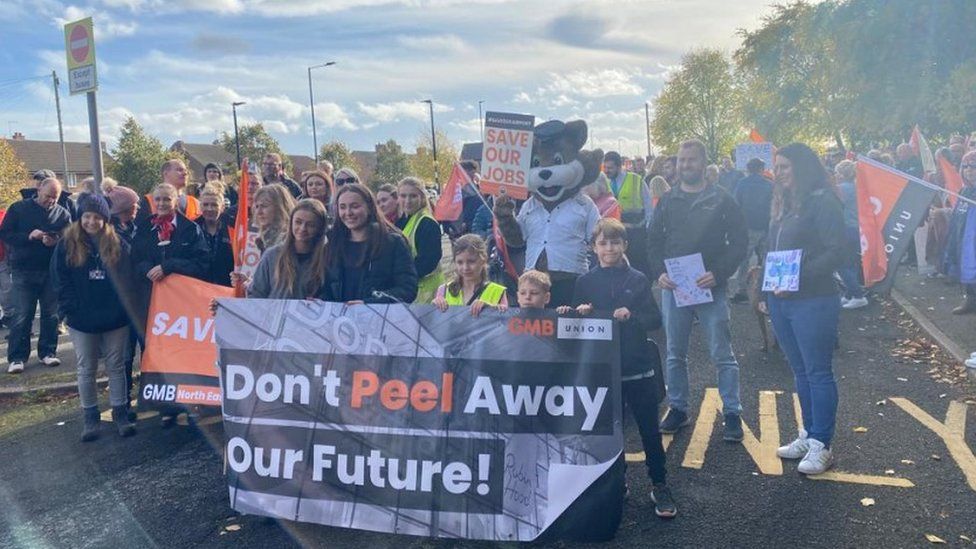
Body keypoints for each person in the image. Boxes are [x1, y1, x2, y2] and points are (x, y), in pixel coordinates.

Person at [557, 218, 675, 518]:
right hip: (602, 371)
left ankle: (659, 483)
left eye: (615, 242)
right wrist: (576, 314)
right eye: (603, 243)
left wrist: (631, 314)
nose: (609, 248)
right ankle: (615, 481)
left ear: (625, 245)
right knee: (608, 433)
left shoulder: (637, 278)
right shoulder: (584, 282)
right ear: (593, 247)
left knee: (649, 430)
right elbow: (573, 325)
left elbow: (655, 320)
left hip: (637, 366)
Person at [647, 139, 747, 440]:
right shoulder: (668, 200)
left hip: (709, 287)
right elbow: (654, 241)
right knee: (675, 353)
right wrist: (660, 273)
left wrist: (719, 274)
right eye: (681, 160)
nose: (685, 165)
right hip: (675, 286)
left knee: (722, 353)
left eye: (691, 160)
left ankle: (732, 412)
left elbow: (739, 242)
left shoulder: (723, 199)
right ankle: (678, 407)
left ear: (703, 163)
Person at [767, 143, 847, 475]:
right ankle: (809, 432)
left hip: (813, 299)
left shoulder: (823, 201)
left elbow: (837, 252)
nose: (779, 172)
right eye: (778, 167)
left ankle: (822, 444)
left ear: (802, 167)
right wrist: (765, 288)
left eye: (785, 167)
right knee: (799, 371)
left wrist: (798, 277)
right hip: (780, 297)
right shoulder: (785, 203)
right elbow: (772, 247)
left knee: (817, 372)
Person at [51, 193, 137, 441]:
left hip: (115, 318)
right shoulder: (66, 244)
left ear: (105, 219)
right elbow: (60, 280)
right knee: (86, 368)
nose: (91, 221)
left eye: (97, 217)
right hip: (81, 319)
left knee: (116, 366)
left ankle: (120, 412)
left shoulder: (118, 243)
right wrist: (70, 310)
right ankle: (91, 418)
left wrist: (124, 308)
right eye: (87, 216)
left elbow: (128, 279)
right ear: (80, 217)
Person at [132, 183, 210, 427]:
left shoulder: (190, 229)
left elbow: (201, 263)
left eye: (167, 199)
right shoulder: (145, 228)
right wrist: (147, 270)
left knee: (186, 352)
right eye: (158, 200)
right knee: (160, 353)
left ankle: (191, 403)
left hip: (184, 304)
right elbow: (135, 260)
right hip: (155, 305)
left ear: (176, 200)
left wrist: (170, 267)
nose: (162, 204)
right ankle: (166, 406)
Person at [0, 177, 72, 373]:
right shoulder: (18, 209)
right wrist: (28, 236)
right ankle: (17, 357)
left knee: (51, 315)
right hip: (24, 268)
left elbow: (69, 240)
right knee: (22, 314)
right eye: (48, 196)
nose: (51, 201)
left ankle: (48, 352)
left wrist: (55, 241)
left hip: (50, 270)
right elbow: (5, 234)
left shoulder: (62, 213)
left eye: (55, 198)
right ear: (38, 189)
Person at [324, 184, 418, 304]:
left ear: (369, 207)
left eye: (355, 206)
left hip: (379, 319)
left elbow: (407, 289)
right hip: (340, 320)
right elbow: (325, 286)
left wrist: (370, 303)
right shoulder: (332, 244)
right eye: (343, 207)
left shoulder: (393, 244)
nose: (348, 212)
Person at [244, 199, 329, 299]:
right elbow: (256, 293)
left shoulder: (327, 258)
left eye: (310, 225)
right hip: (272, 313)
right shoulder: (272, 255)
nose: (302, 229)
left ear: (320, 228)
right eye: (298, 222)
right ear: (291, 222)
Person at [730, 157, 774, 302]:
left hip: (747, 226)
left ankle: (741, 289)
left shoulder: (742, 184)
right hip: (766, 226)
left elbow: (735, 205)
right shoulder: (769, 185)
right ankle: (769, 287)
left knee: (744, 259)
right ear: (762, 169)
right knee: (767, 258)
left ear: (748, 169)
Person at [432, 234, 508, 316]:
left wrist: (491, 310)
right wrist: (432, 308)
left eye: (471, 261)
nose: (465, 267)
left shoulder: (497, 292)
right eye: (460, 262)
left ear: (483, 260)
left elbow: (505, 323)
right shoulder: (443, 291)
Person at [395, 177, 443, 303]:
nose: (407, 201)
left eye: (413, 196)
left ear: (422, 197)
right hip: (413, 290)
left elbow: (428, 261)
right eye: (403, 196)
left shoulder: (427, 223)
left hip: (427, 293)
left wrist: (400, 276)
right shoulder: (405, 220)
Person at [604, 151, 652, 274]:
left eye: (610, 168)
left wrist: (648, 228)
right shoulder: (604, 182)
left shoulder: (636, 180)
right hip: (614, 232)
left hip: (636, 232)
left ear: (619, 167)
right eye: (605, 167)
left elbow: (648, 205)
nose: (607, 171)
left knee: (639, 267)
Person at [834, 160, 868, 309]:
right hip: (856, 228)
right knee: (851, 263)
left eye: (836, 172)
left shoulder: (841, 189)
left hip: (845, 229)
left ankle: (858, 295)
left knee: (841, 264)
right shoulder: (856, 187)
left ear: (841, 174)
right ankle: (849, 294)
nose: (835, 175)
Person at [946, 150, 976, 314]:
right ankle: (971, 300)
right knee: (967, 269)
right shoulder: (965, 191)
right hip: (965, 237)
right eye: (965, 167)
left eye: (973, 166)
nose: (969, 170)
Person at [136, 159, 201, 225]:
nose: (185, 173)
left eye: (185, 171)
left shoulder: (195, 203)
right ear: (166, 173)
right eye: (179, 170)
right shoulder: (149, 200)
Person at [197, 183, 234, 287]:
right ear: (200, 206)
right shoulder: (191, 228)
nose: (209, 209)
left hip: (226, 287)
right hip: (198, 287)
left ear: (222, 207)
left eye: (214, 205)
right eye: (205, 204)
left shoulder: (232, 227)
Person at [253, 184, 296, 254]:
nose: (259, 212)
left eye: (264, 206)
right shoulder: (264, 238)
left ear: (279, 207)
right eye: (257, 206)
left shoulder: (287, 239)